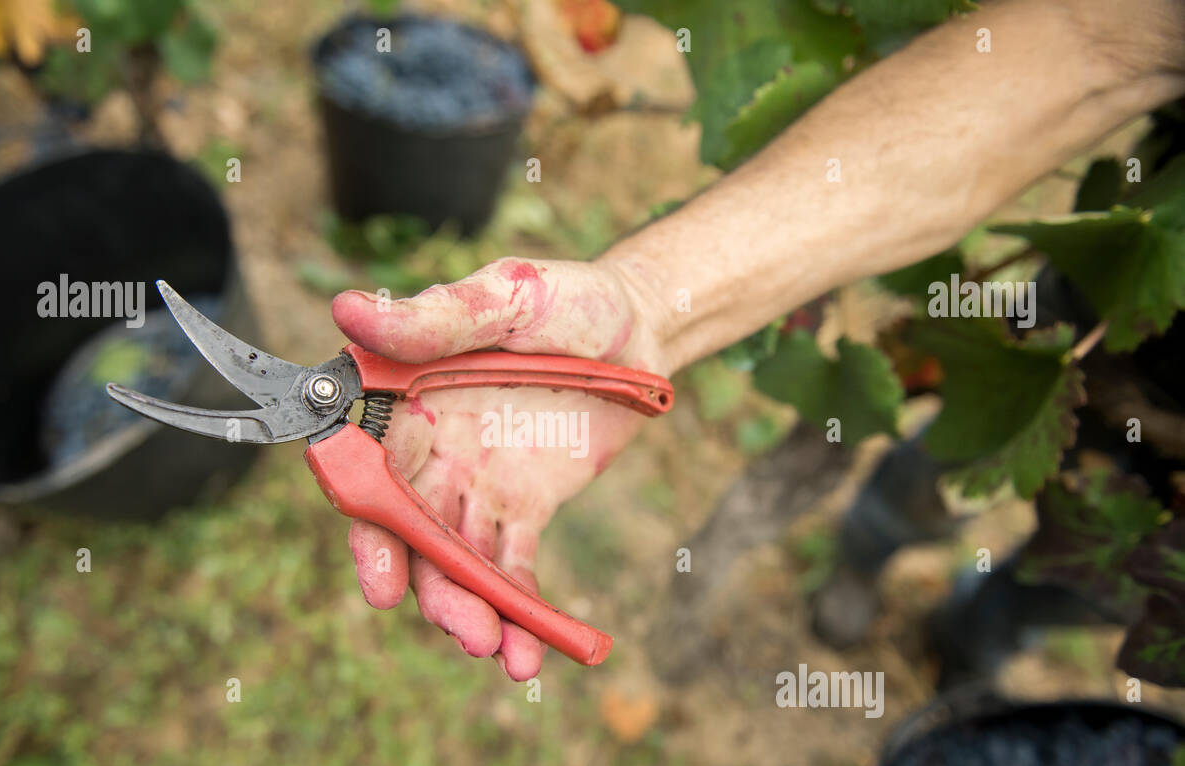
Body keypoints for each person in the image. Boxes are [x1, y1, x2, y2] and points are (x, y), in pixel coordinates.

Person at [329, 0, 1185, 679]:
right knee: (930, 485)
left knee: (1105, 588)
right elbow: (1088, 41)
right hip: (1099, 333)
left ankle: (990, 632)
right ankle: (883, 567)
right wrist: (646, 302)